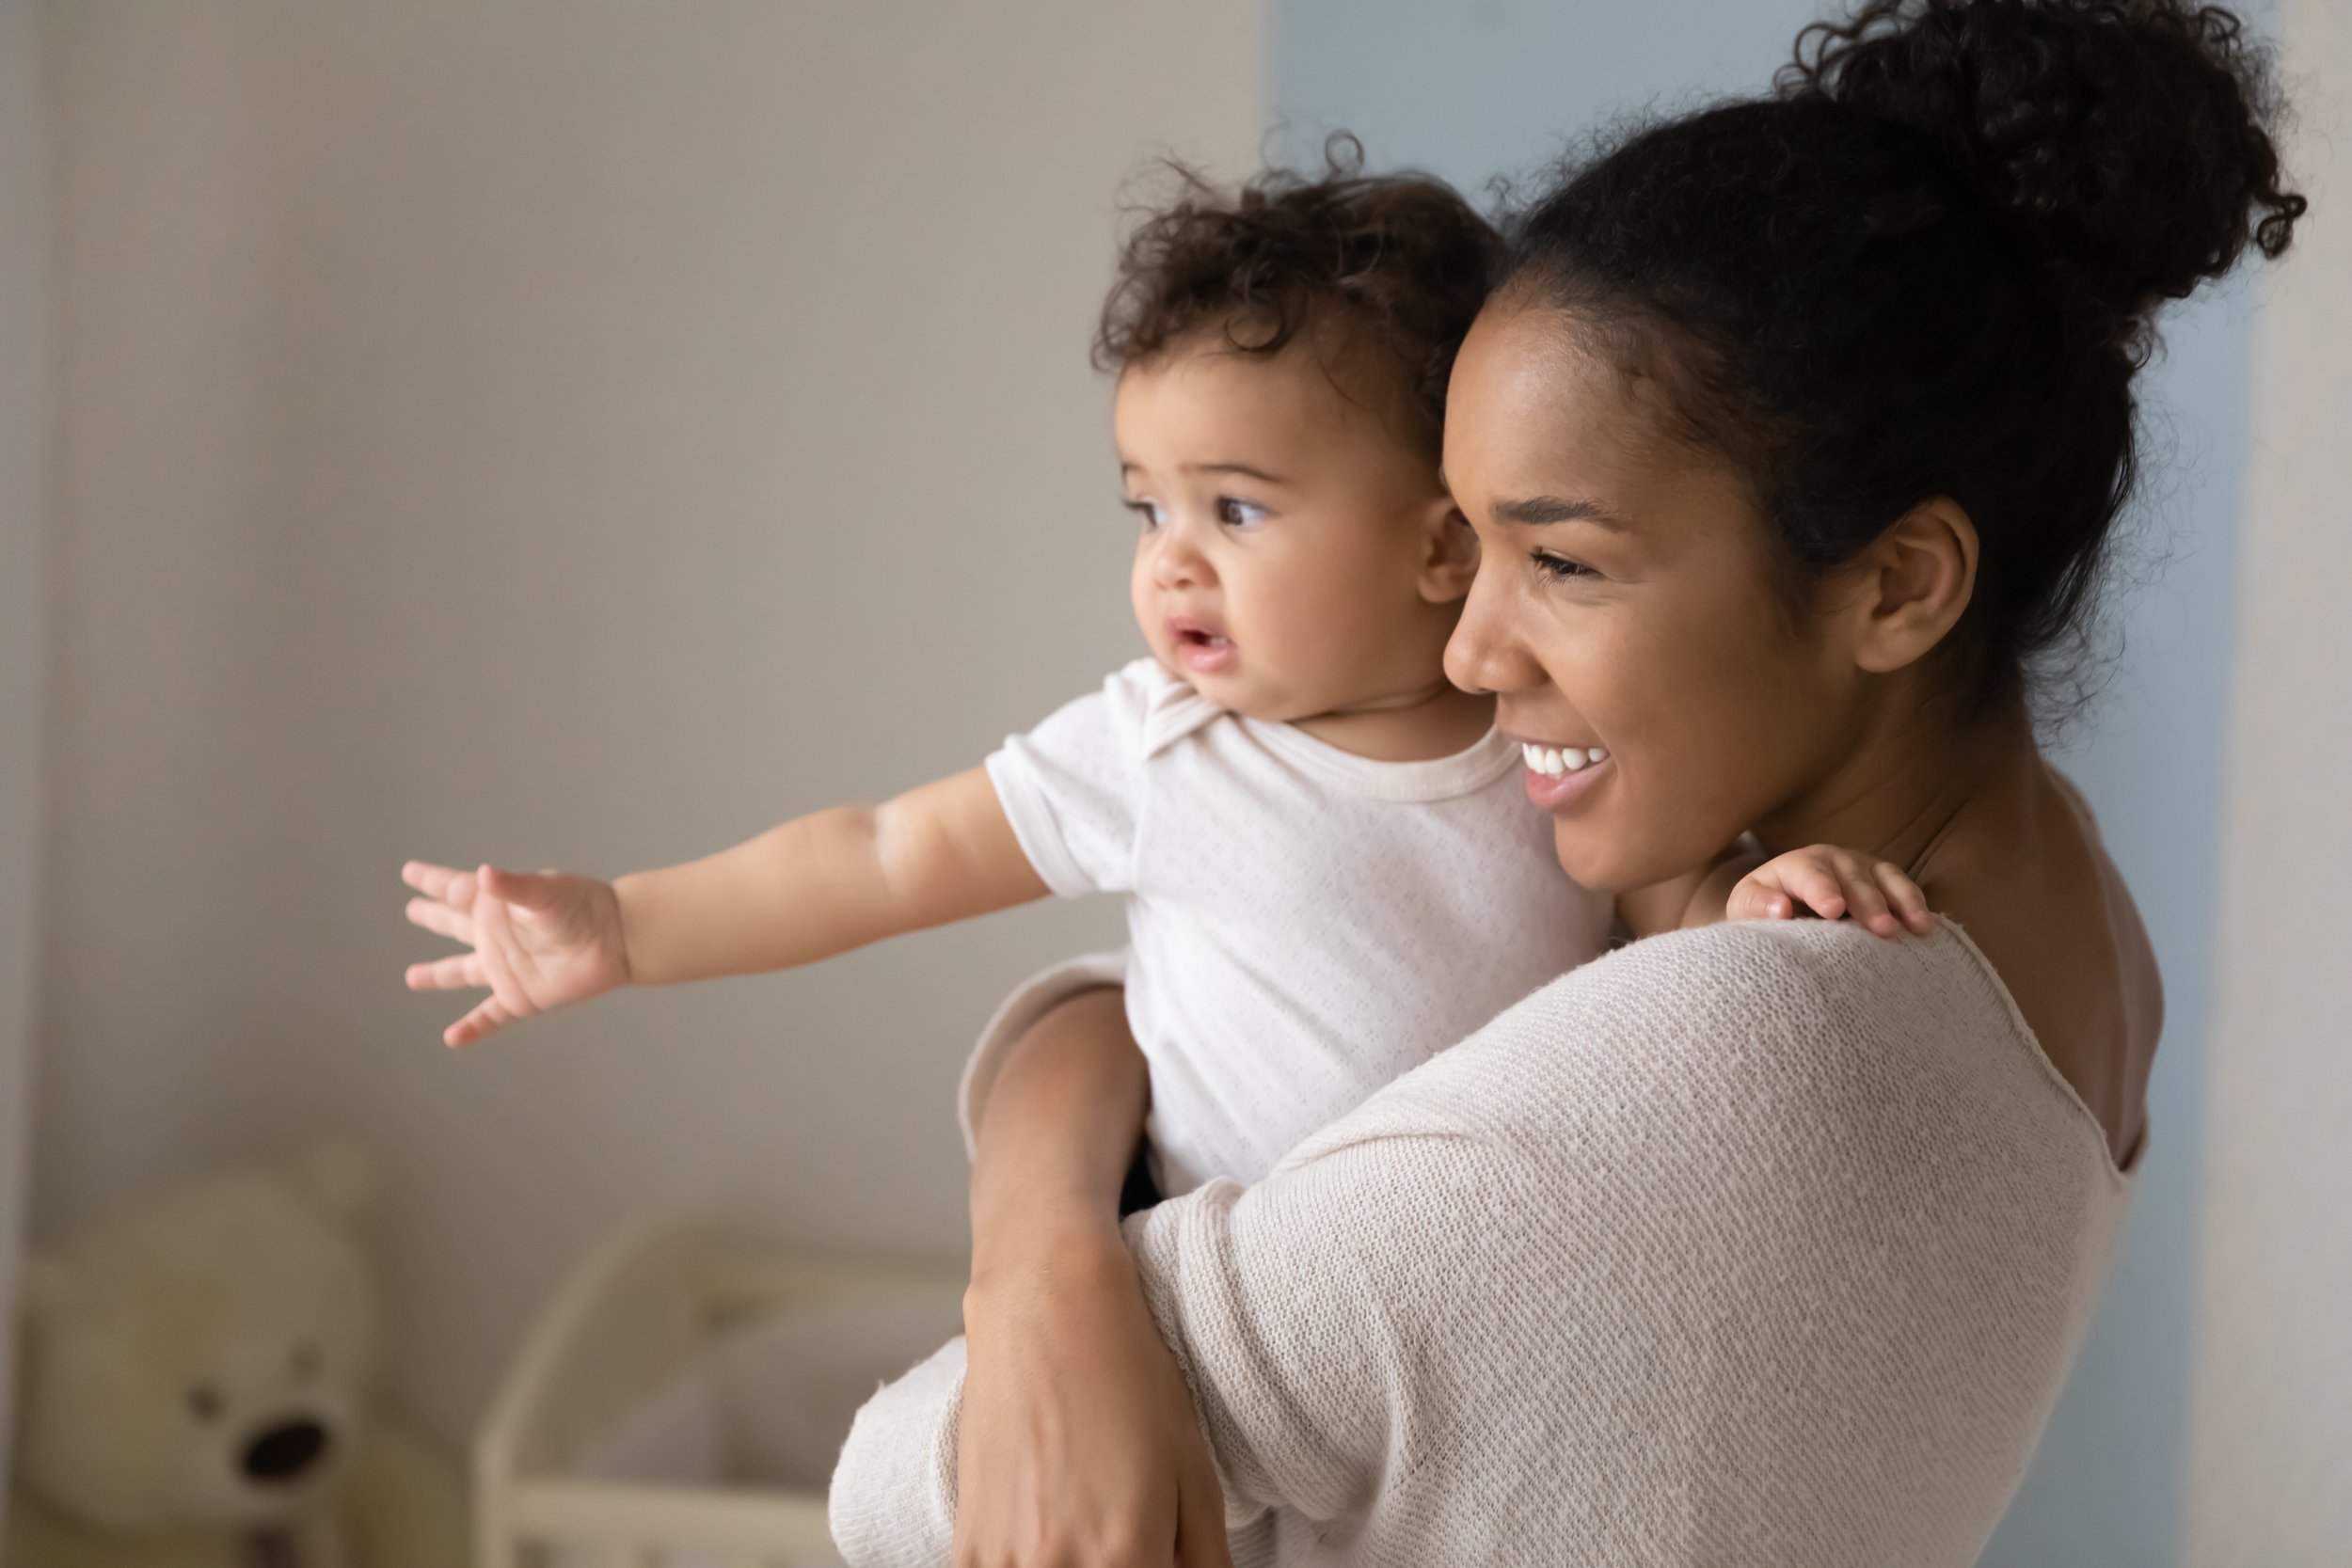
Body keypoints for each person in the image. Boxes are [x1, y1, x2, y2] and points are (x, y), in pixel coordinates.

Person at [827, 1, 2305, 1563]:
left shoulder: (1747, 1046)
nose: (1469, 653)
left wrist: (1042, 1265)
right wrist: (1062, 1202)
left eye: (1566, 562)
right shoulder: (2066, 911)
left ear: (1897, 585)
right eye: (1471, 545)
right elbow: (1181, 1000)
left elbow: (898, 1490)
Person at [398, 153, 1919, 1204]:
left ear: (1442, 543)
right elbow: (880, 855)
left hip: (1470, 1282)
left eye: (1236, 511)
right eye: (1149, 510)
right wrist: (627, 926)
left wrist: (1764, 899)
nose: (1171, 563)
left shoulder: (1543, 739)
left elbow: (1663, 920)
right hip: (1216, 1296)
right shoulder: (1159, 749)